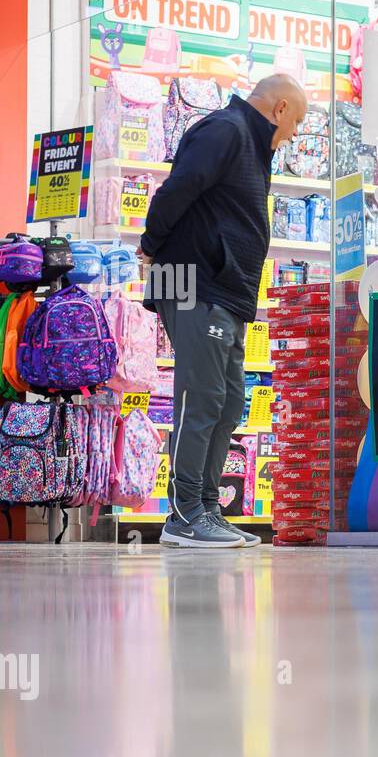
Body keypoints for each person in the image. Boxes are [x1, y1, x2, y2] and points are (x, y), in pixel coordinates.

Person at [139, 74, 307, 548]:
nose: (293, 134)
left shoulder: (252, 146)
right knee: (203, 395)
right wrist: (151, 247)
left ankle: (207, 509)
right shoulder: (227, 130)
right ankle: (183, 513)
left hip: (224, 290)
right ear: (278, 109)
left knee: (230, 399)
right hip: (194, 282)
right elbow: (177, 189)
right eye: (294, 122)